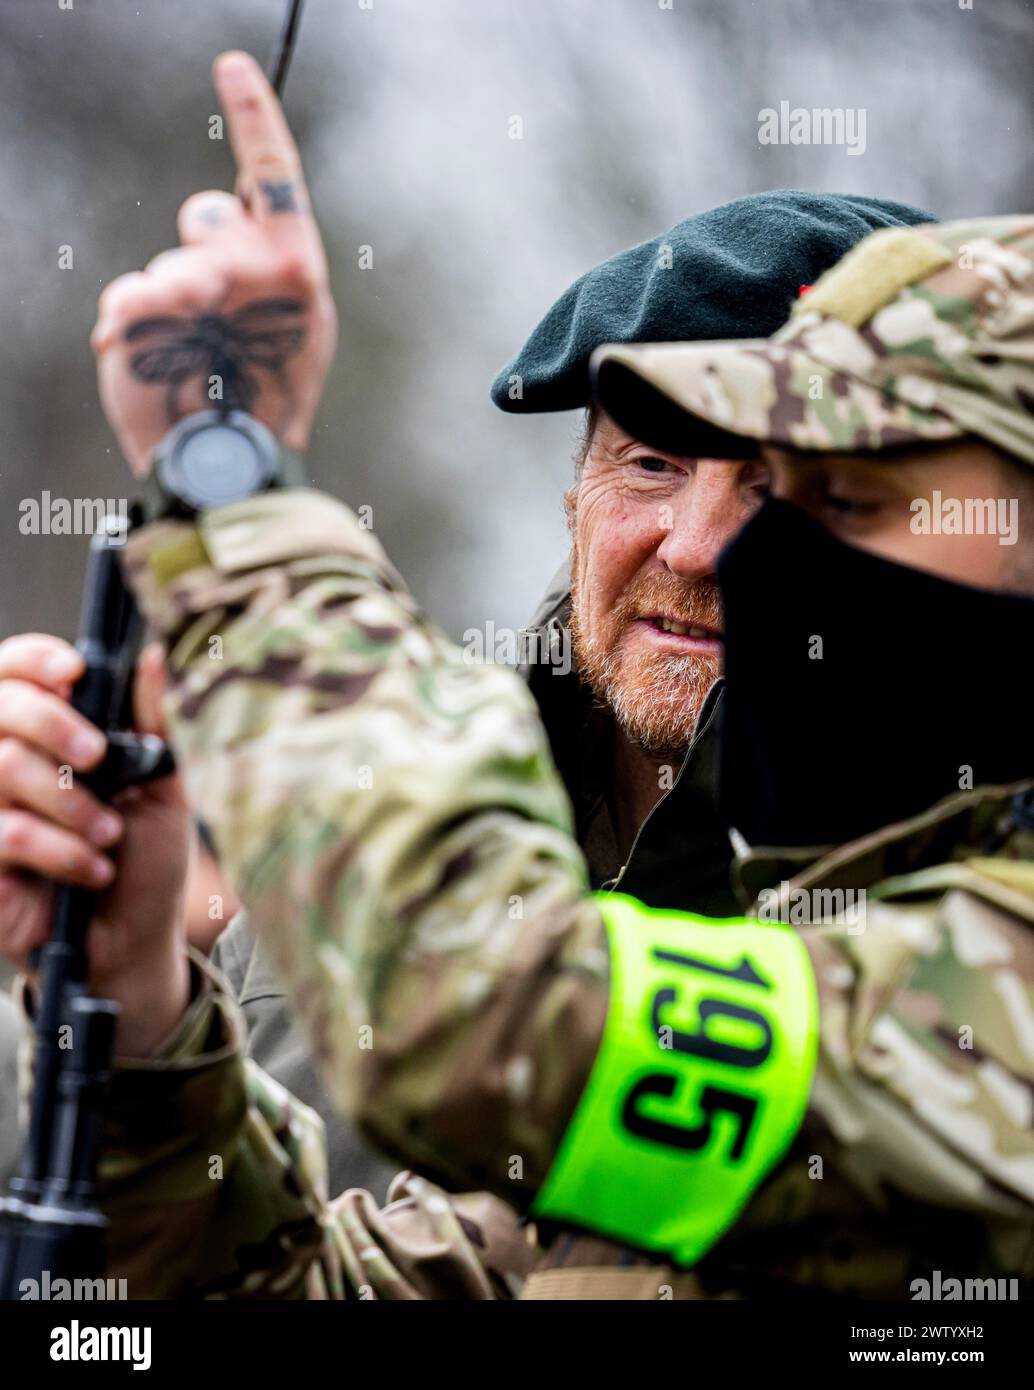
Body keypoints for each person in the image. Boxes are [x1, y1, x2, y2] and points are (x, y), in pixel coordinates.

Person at [9, 54, 1032, 1298]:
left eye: (796, 491)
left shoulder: (962, 951)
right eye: (651, 464)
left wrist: (240, 499)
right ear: (572, 495)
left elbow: (487, 1017)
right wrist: (137, 1010)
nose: (700, 545)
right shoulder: (401, 820)